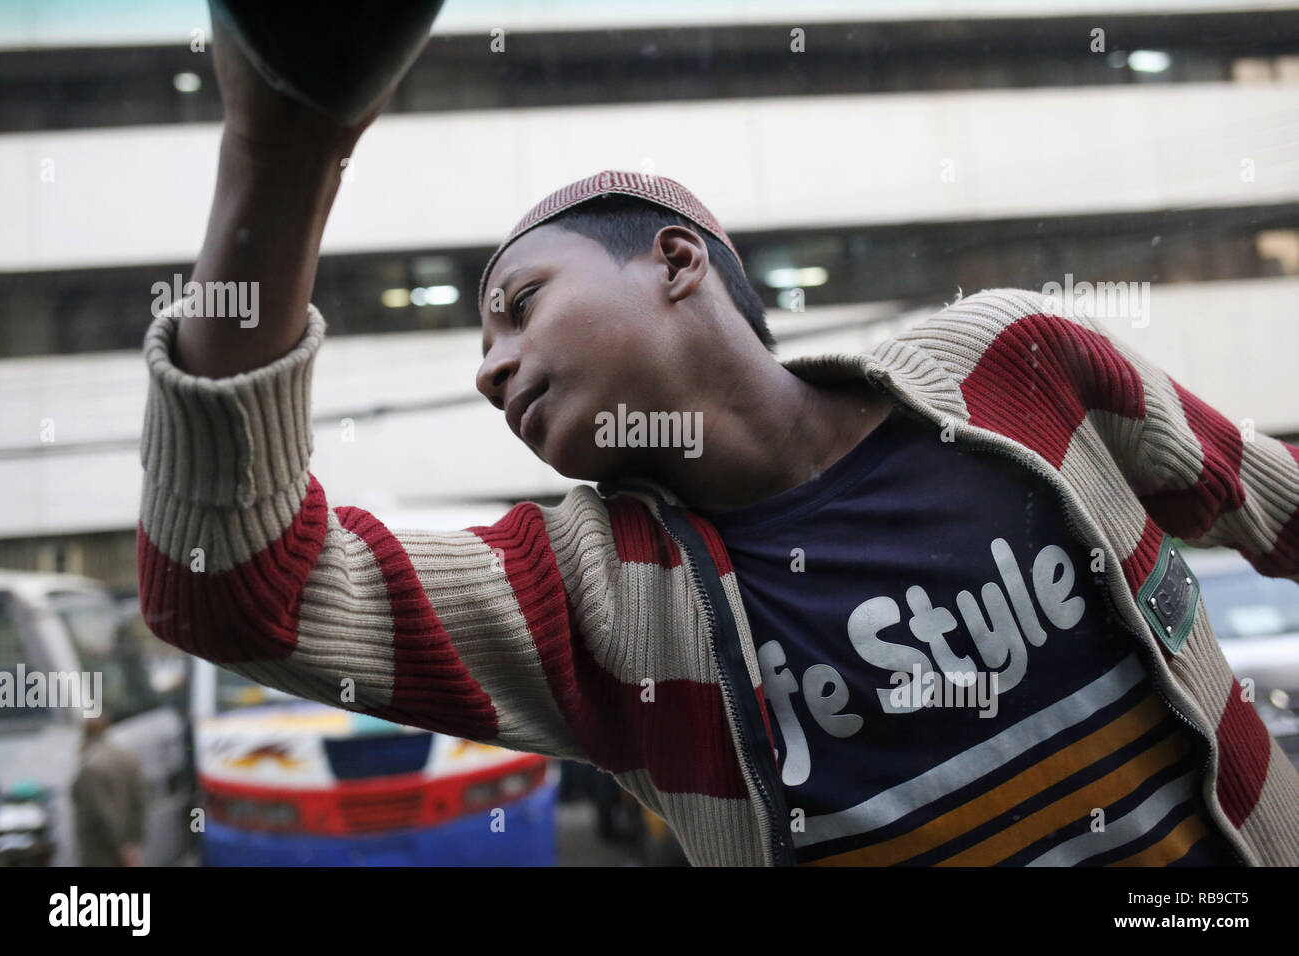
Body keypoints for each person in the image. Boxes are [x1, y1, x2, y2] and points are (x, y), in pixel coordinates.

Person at [136, 21, 1299, 866]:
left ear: (679, 261)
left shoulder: (1013, 364)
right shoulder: (587, 599)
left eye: (519, 302)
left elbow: (1274, 505)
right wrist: (285, 142)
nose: (486, 368)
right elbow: (230, 591)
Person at [71, 713, 147, 867]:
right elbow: (140, 802)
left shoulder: (90, 767)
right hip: (129, 846)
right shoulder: (128, 758)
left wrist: (121, 848)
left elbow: (105, 815)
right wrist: (134, 843)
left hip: (102, 853)